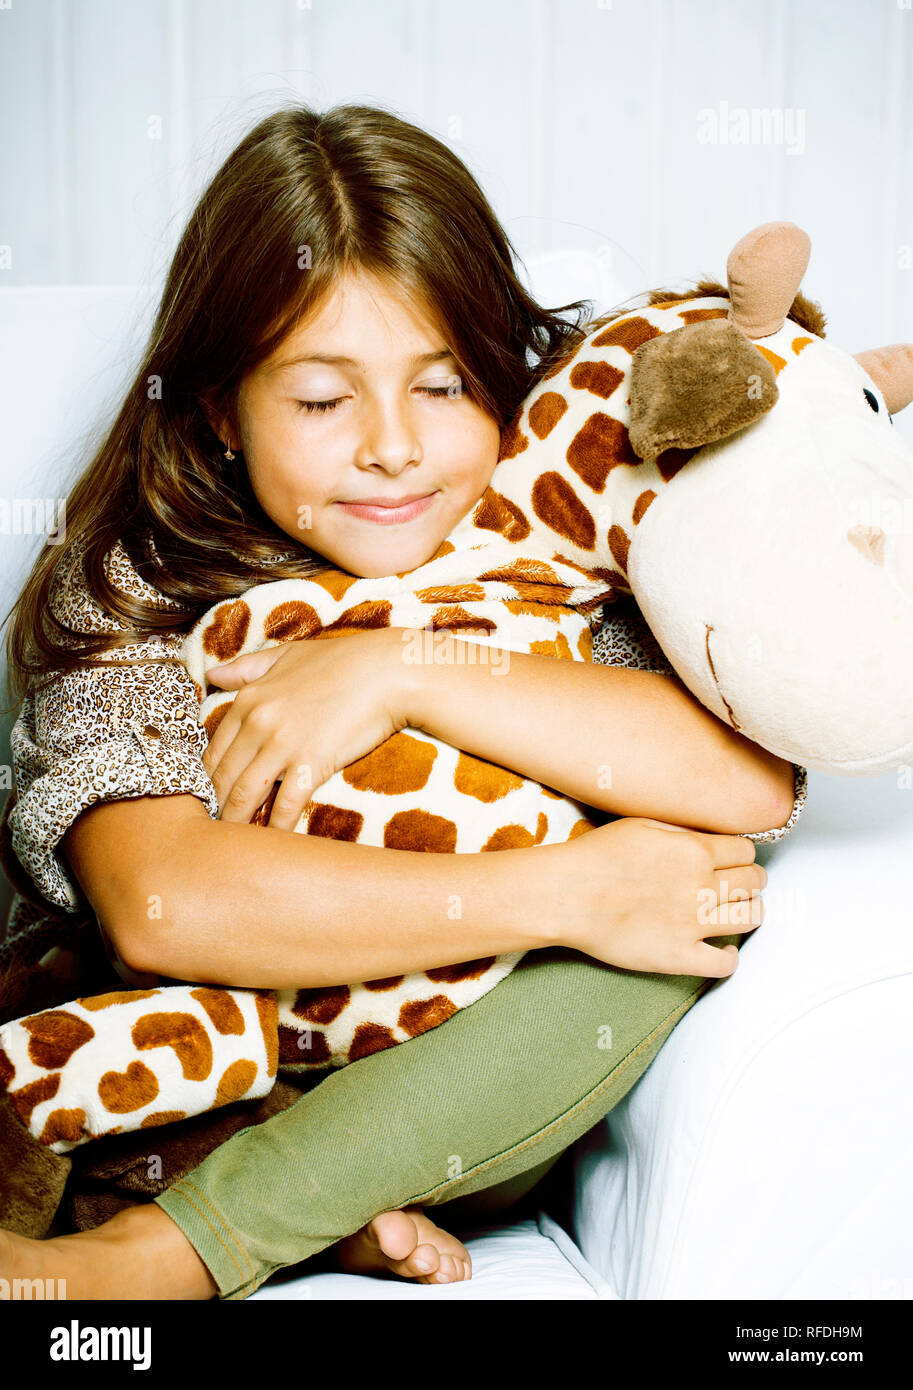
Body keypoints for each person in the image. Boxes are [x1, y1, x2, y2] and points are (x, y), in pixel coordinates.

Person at [0, 102, 804, 1299]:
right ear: (219, 407)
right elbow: (163, 905)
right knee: (620, 898)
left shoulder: (555, 553)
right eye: (323, 401)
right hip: (180, 1068)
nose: (391, 448)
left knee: (683, 903)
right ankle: (185, 1233)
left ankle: (231, 1227)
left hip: (448, 1087)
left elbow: (745, 782)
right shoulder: (136, 578)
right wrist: (558, 891)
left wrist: (401, 665)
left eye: (442, 387)